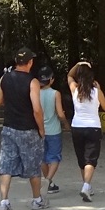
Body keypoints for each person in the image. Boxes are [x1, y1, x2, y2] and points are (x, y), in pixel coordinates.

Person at [0, 47, 46, 210]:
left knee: (6, 165)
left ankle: (4, 201)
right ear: (30, 62)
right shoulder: (32, 82)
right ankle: (37, 200)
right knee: (33, 165)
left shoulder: (4, 78)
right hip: (28, 129)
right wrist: (41, 129)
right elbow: (37, 110)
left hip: (9, 127)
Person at [67, 60, 105, 202]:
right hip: (93, 127)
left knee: (82, 159)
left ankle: (87, 185)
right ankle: (86, 186)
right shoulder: (96, 91)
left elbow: (69, 76)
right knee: (91, 159)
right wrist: (100, 89)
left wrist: (78, 65)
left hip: (77, 127)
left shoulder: (74, 89)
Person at [38, 65, 67, 193]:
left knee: (42, 158)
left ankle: (48, 183)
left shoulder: (34, 93)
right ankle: (48, 180)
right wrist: (66, 123)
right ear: (51, 80)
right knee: (54, 157)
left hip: (39, 130)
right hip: (54, 130)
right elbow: (60, 114)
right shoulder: (55, 94)